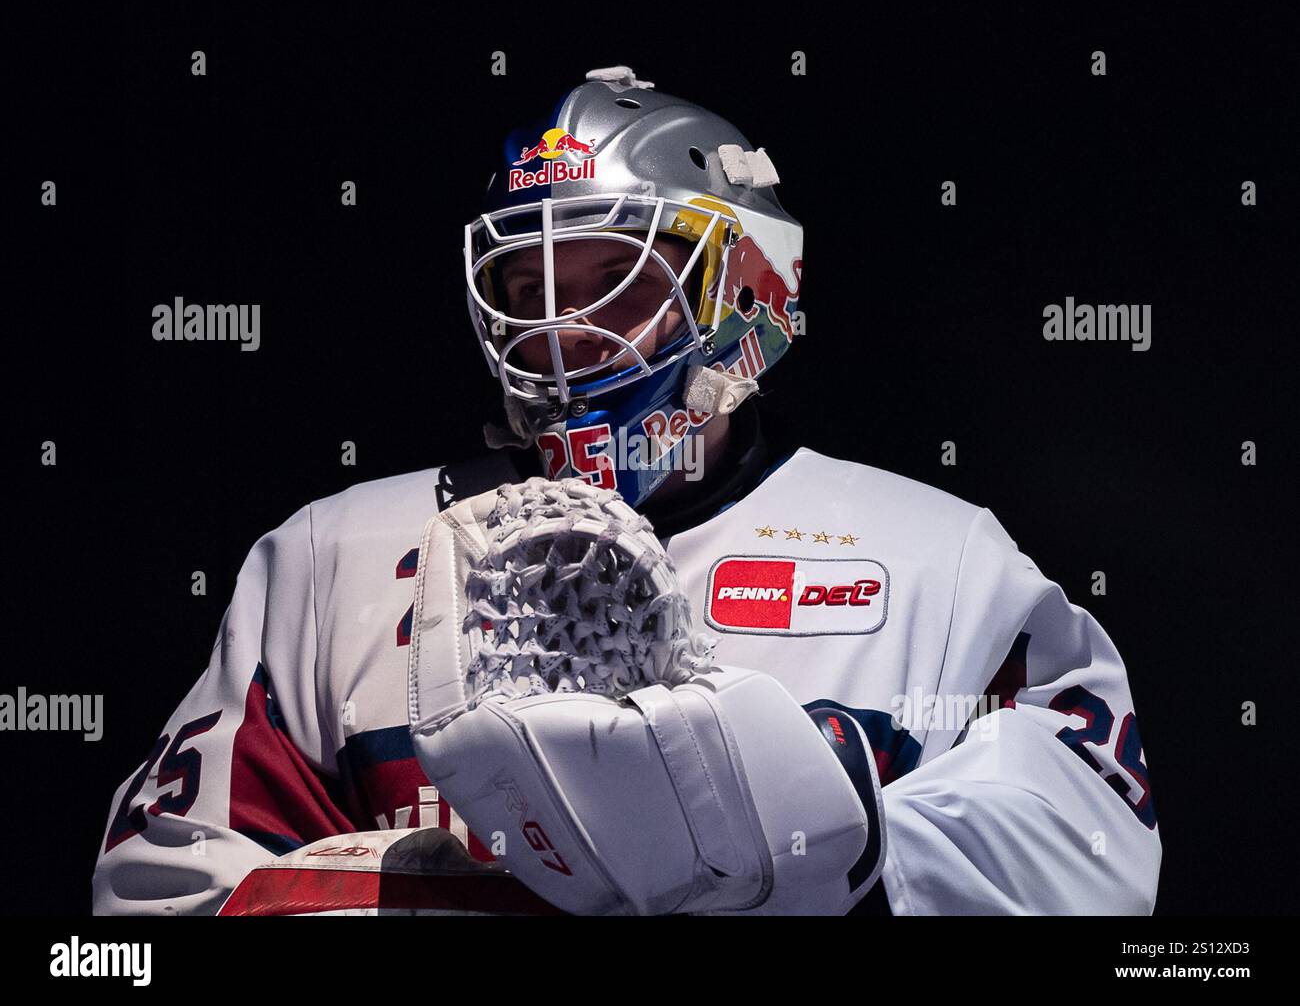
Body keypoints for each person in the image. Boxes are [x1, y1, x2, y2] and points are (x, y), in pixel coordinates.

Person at [93, 66, 1160, 915]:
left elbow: (1096, 853)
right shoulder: (331, 556)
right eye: (529, 289)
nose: (562, 332)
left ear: (748, 292)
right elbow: (159, 882)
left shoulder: (939, 557)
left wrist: (825, 842)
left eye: (614, 282)